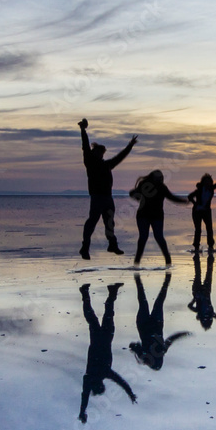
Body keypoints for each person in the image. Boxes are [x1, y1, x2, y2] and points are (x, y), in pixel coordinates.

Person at [78, 118, 137, 260]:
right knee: (92, 222)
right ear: (94, 152)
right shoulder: (89, 162)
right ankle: (85, 248)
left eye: (102, 153)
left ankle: (112, 245)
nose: (101, 154)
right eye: (99, 152)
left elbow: (119, 157)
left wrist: (130, 146)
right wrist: (83, 130)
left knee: (109, 223)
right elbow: (85, 146)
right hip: (97, 198)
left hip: (108, 198)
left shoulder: (107, 164)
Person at [79, 282, 136, 423]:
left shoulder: (97, 374)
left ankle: (93, 293)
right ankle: (106, 292)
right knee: (100, 316)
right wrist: (130, 393)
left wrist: (130, 393)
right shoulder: (98, 375)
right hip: (104, 338)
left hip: (102, 338)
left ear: (100, 384)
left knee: (101, 316)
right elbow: (120, 382)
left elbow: (120, 381)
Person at [129, 272, 191, 371]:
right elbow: (133, 345)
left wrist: (183, 334)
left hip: (153, 324)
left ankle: (166, 281)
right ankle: (138, 279)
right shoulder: (147, 355)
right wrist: (138, 352)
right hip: (146, 325)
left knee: (157, 302)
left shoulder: (159, 352)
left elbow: (170, 340)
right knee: (144, 301)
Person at [129, 170, 189, 266]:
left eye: (160, 177)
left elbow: (171, 197)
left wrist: (183, 201)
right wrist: (137, 195)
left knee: (157, 237)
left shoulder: (161, 187)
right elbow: (132, 193)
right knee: (145, 238)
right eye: (157, 177)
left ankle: (167, 260)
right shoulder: (146, 185)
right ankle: (138, 261)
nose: (159, 179)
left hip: (155, 216)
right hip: (144, 215)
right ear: (152, 177)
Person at [188, 165, 216, 253]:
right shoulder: (199, 190)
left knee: (209, 229)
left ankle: (210, 247)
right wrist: (195, 204)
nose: (207, 183)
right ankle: (196, 248)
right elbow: (189, 196)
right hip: (197, 212)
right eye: (206, 181)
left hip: (207, 211)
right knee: (198, 229)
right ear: (203, 182)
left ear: (211, 182)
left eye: (209, 181)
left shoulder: (211, 188)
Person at [188, 253, 216, 335]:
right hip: (205, 291)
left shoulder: (202, 312)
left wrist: (195, 298)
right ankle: (206, 256)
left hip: (199, 291)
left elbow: (189, 306)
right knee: (205, 273)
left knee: (201, 273)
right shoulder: (210, 314)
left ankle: (200, 256)